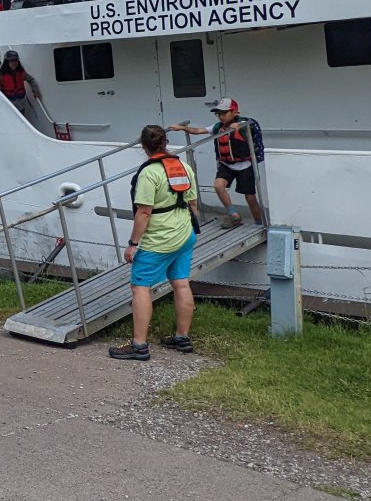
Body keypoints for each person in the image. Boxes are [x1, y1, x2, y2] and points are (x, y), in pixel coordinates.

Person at [110, 126, 200, 361]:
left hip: (159, 240)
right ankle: (182, 338)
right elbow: (193, 204)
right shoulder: (184, 166)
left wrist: (133, 244)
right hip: (185, 234)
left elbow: (144, 212)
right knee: (181, 283)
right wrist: (188, 230)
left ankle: (139, 345)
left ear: (143, 146)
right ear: (165, 142)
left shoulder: (149, 173)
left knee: (140, 287)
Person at [168, 98, 264, 227]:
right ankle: (234, 216)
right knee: (219, 186)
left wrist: (239, 125)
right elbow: (198, 131)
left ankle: (259, 224)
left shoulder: (243, 124)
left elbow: (250, 124)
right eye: (218, 113)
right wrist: (182, 128)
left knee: (250, 198)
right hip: (226, 165)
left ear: (235, 112)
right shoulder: (218, 127)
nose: (221, 116)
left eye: (224, 113)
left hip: (244, 166)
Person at [0, 50, 42, 120]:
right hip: (9, 106)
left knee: (22, 121)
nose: (14, 63)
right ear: (6, 62)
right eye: (11, 61)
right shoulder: (1, 75)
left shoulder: (21, 73)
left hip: (21, 106)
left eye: (16, 60)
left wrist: (35, 91)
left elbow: (31, 80)